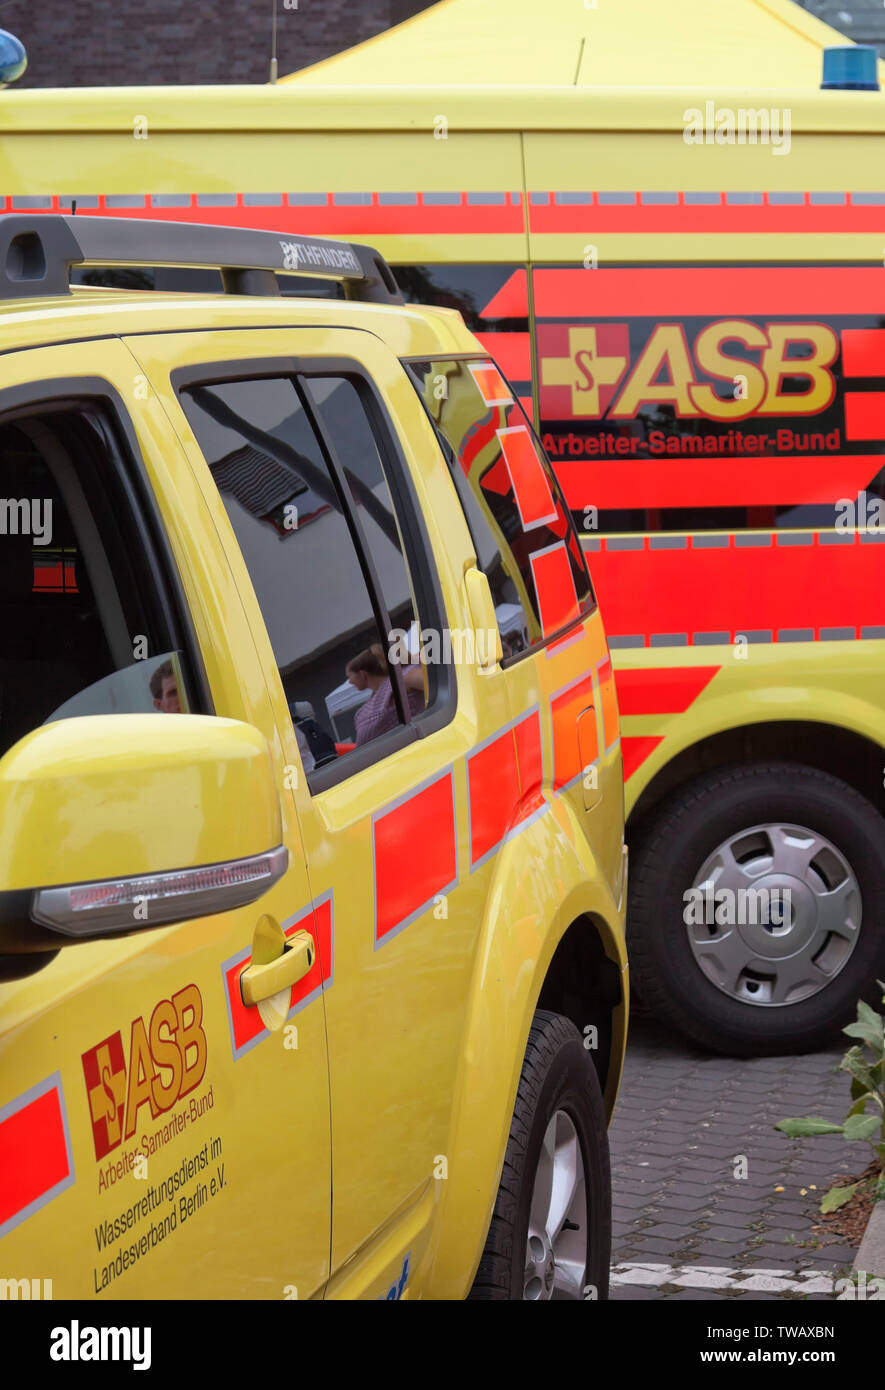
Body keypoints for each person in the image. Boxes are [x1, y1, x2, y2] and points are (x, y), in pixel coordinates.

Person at [346, 642, 424, 746]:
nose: (350, 682)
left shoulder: (403, 678)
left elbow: (439, 684)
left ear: (362, 674)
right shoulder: (378, 697)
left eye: (350, 677)